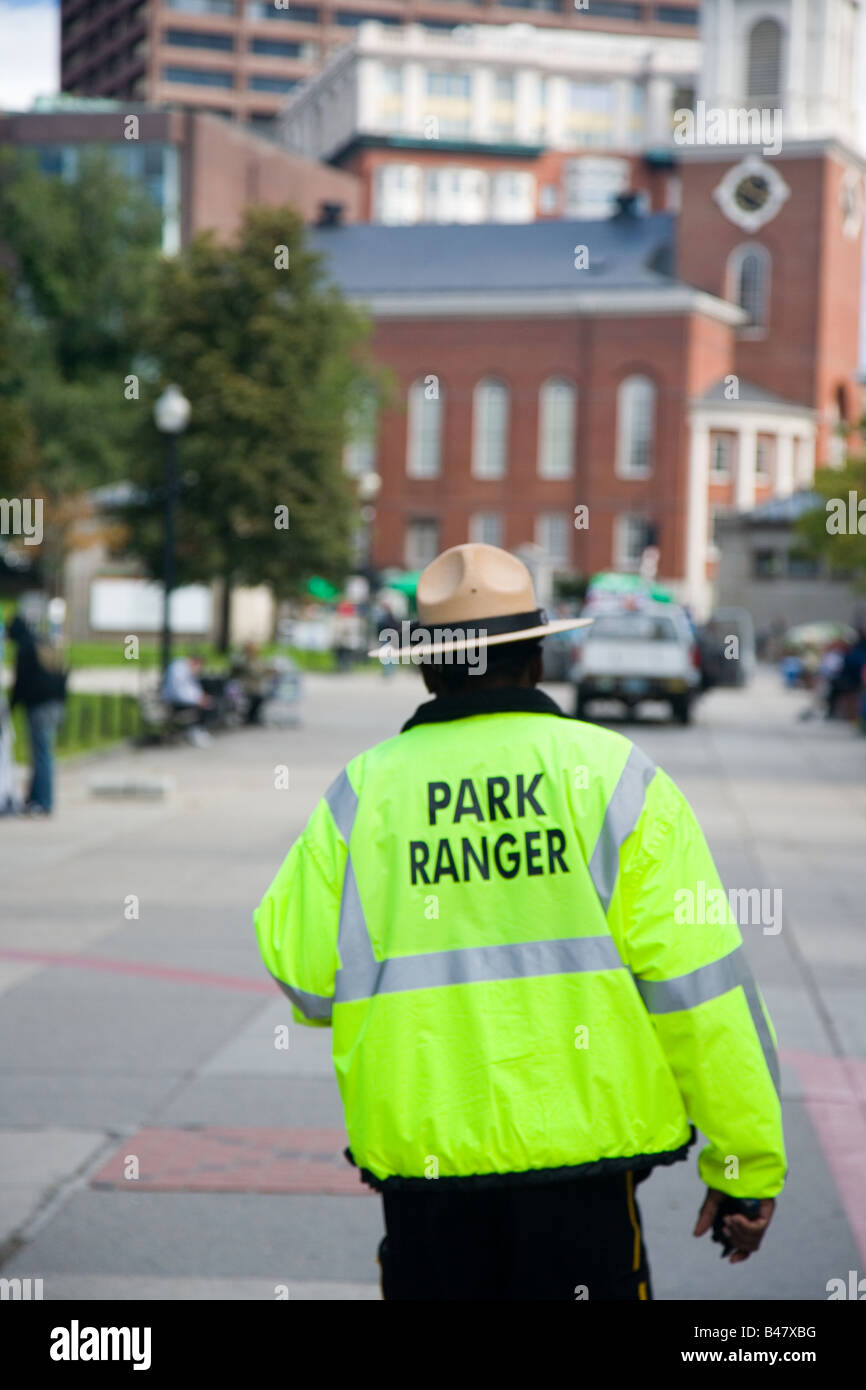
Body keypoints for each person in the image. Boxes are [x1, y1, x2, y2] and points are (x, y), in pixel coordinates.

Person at [254, 543, 786, 1301]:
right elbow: (702, 994)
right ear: (536, 657)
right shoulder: (618, 780)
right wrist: (744, 1165)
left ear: (426, 668)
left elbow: (305, 978)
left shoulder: (363, 792)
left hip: (428, 1187)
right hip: (585, 1186)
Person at [8, 613, 68, 816]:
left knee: (41, 754)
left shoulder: (25, 648)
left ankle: (43, 801)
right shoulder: (43, 642)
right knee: (43, 753)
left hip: (39, 706)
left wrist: (10, 706)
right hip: (56, 703)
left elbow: (21, 682)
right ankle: (35, 798)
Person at [159, 653, 212, 746]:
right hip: (174, 702)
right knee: (200, 708)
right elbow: (178, 692)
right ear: (195, 662)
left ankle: (197, 730)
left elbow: (192, 688)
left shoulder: (186, 670)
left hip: (182, 700)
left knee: (208, 704)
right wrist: (197, 700)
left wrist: (200, 697)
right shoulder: (178, 669)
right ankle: (195, 731)